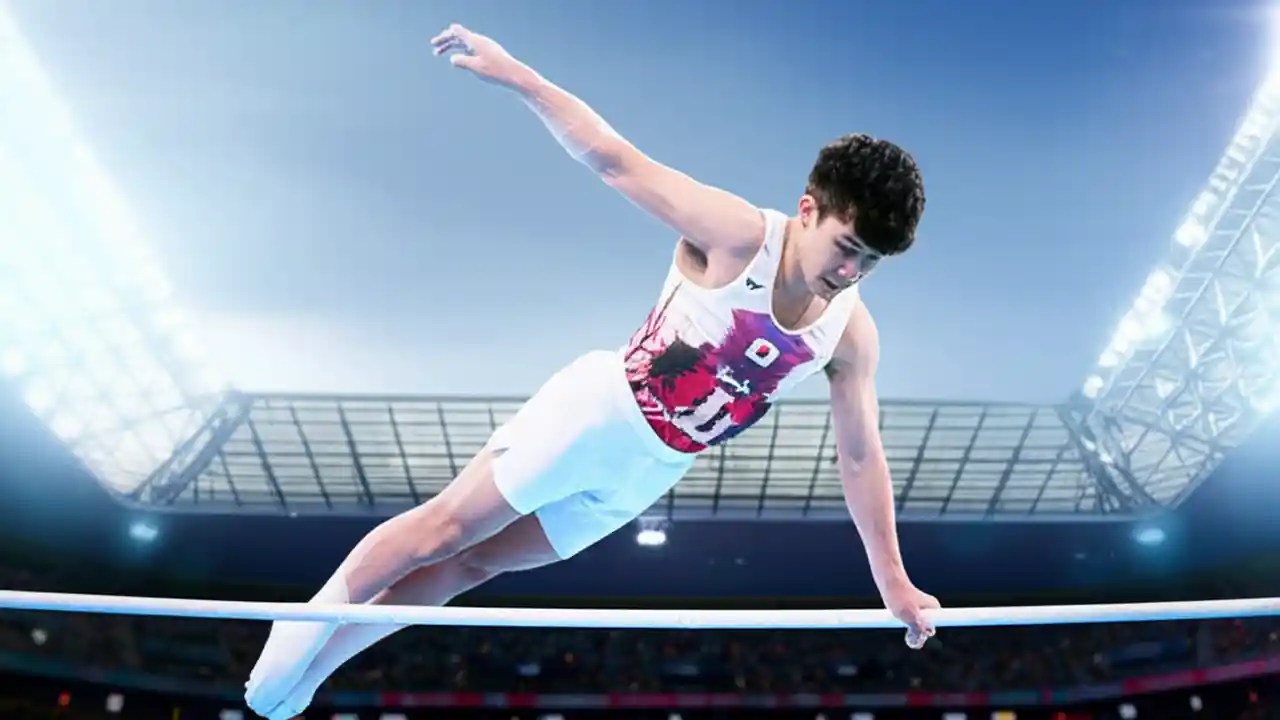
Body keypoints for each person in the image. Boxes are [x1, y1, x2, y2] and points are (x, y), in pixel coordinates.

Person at [244, 22, 940, 719]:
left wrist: (893, 584)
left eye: (871, 262)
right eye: (847, 247)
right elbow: (614, 159)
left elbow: (859, 456)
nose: (850, 272)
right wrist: (519, 76)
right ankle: (305, 621)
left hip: (652, 470)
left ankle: (317, 669)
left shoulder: (850, 333)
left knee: (469, 567)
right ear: (808, 210)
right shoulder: (738, 236)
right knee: (445, 530)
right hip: (597, 412)